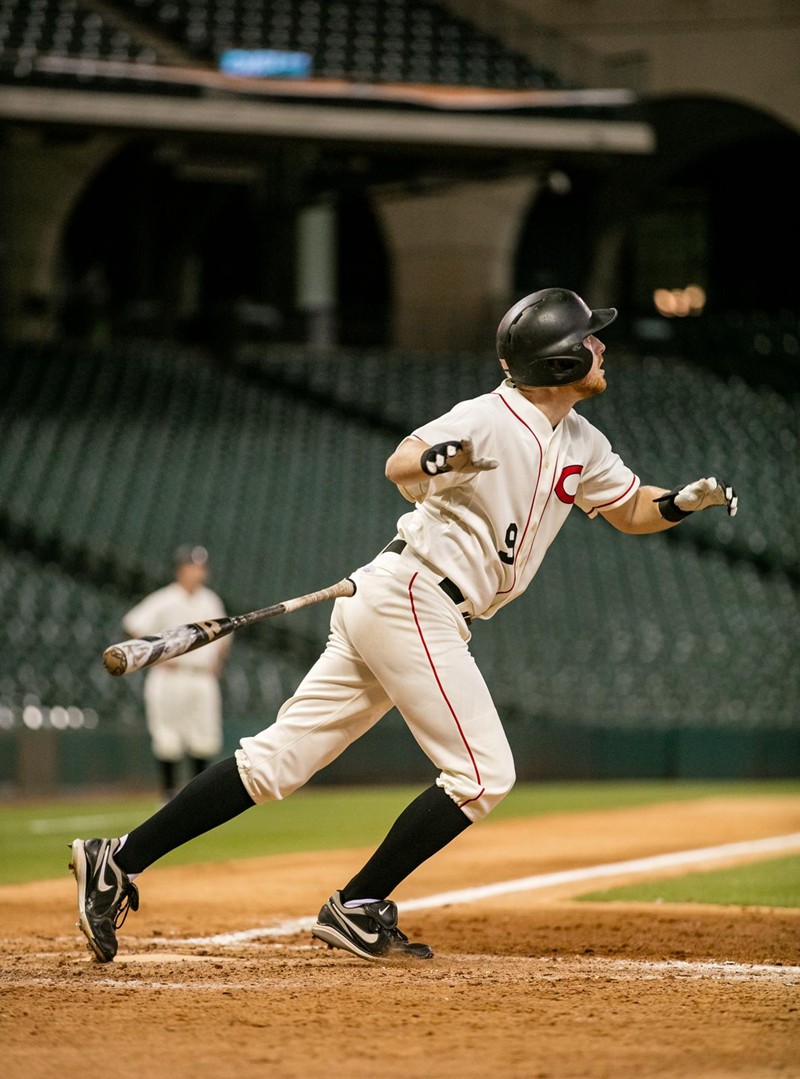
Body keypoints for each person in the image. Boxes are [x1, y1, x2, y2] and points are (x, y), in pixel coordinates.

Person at [69, 288, 737, 965]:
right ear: (561, 361)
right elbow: (401, 463)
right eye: (590, 339)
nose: (601, 346)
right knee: (482, 774)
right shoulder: (488, 416)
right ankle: (358, 902)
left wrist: (681, 503)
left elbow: (631, 508)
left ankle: (116, 859)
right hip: (414, 597)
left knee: (275, 762)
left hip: (406, 600)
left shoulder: (582, 440)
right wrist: (440, 462)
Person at [122, 545, 230, 803]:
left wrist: (218, 660)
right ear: (180, 569)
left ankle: (199, 797)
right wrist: (154, 654)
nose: (198, 571)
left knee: (204, 736)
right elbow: (133, 624)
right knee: (167, 736)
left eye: (201, 566)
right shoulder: (165, 598)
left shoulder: (211, 600)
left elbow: (225, 636)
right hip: (170, 676)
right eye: (192, 566)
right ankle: (168, 794)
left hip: (202, 676)